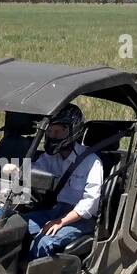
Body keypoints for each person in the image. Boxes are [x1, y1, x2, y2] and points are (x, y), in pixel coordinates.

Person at [25, 104, 103, 259]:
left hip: (81, 219)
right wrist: (17, 172)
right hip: (57, 209)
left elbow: (90, 203)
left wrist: (61, 222)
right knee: (16, 226)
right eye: (50, 131)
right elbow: (32, 172)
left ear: (72, 131)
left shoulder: (91, 161)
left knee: (44, 242)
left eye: (59, 131)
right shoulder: (50, 156)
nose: (53, 136)